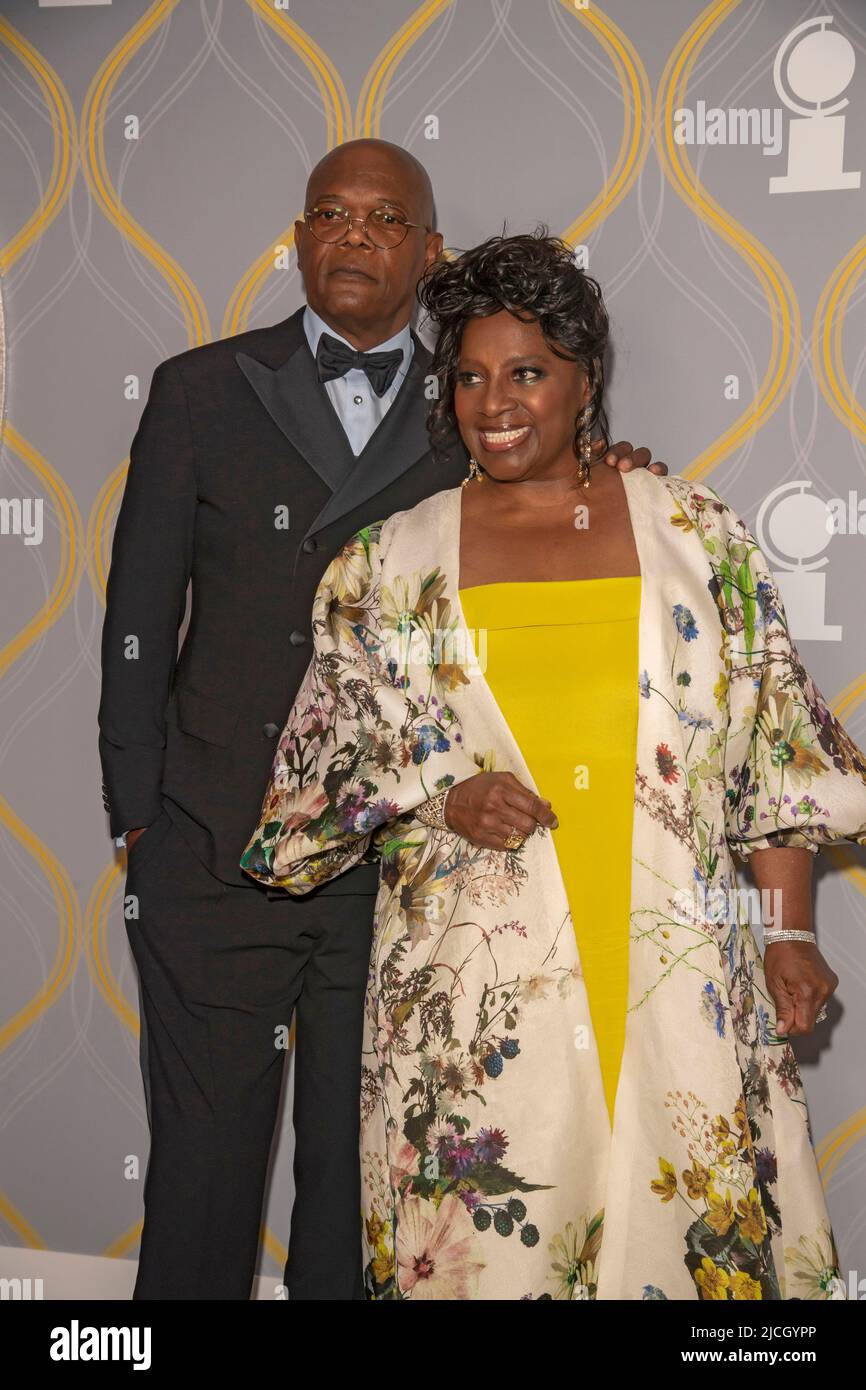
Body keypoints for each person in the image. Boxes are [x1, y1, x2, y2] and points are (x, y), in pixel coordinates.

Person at [240, 230, 866, 1301]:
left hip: (671, 970)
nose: (494, 402)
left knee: (679, 1239)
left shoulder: (693, 535)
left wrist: (788, 932)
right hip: (470, 994)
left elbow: (774, 757)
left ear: (584, 381)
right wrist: (441, 797)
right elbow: (309, 791)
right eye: (470, 376)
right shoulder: (388, 565)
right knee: (495, 1250)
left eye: (526, 371)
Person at [97, 139, 666, 1300]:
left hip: (400, 860)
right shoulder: (200, 387)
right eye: (327, 213)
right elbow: (138, 618)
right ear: (298, 238)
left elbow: (557, 505)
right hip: (214, 851)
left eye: (383, 217)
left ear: (426, 249)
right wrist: (137, 819)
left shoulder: (473, 399)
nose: (352, 234)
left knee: (367, 1188)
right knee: (201, 1177)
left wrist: (610, 477)